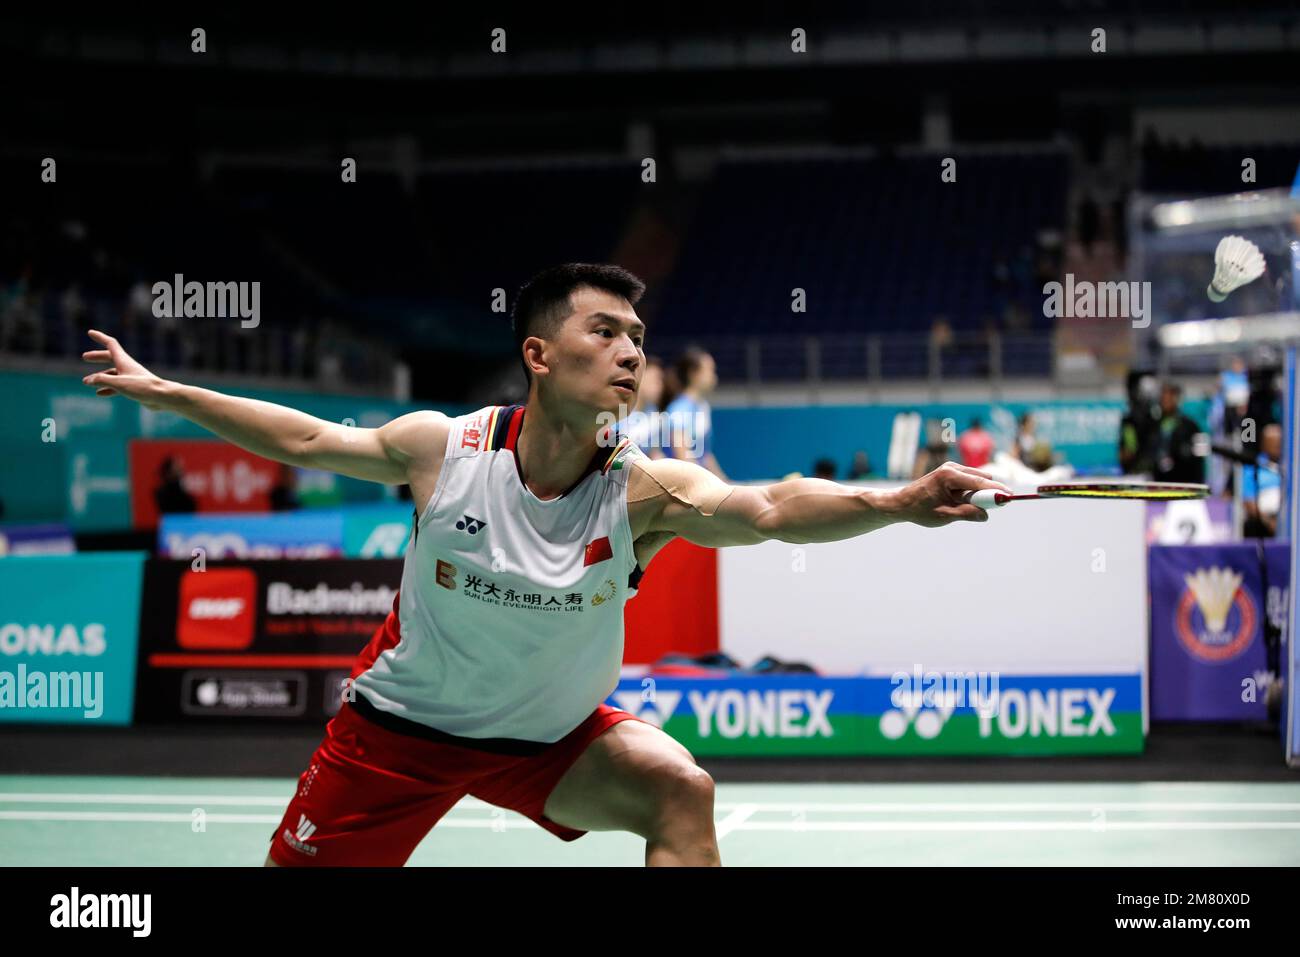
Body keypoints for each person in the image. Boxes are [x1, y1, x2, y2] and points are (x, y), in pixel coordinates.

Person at [81, 262, 1009, 867]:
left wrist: (895, 501)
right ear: (538, 353)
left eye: (638, 340)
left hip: (549, 738)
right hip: (399, 735)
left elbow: (768, 506)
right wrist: (167, 391)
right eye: (605, 332)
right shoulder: (443, 451)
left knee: (679, 791)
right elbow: (310, 437)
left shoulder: (643, 489)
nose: (630, 353)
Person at [664, 347, 727, 479]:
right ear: (693, 373)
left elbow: (705, 455)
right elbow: (682, 455)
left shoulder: (703, 407)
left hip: (699, 482)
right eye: (709, 370)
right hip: (683, 486)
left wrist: (725, 483)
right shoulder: (679, 409)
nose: (714, 375)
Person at [615, 354, 665, 459]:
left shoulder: (653, 412)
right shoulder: (617, 413)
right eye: (655, 380)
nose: (660, 387)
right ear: (639, 378)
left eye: (661, 381)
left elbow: (654, 453)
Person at [1153, 382, 1204, 484]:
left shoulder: (1191, 426)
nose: (1165, 401)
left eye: (1169, 397)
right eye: (1163, 397)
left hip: (1183, 482)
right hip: (1159, 482)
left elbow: (1200, 456)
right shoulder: (1153, 424)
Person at [1242, 424, 1283, 538]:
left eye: (1279, 444)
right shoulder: (1253, 468)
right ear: (1264, 445)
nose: (1277, 447)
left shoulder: (1290, 468)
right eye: (1273, 444)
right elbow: (1248, 502)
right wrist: (1269, 522)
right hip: (1261, 524)